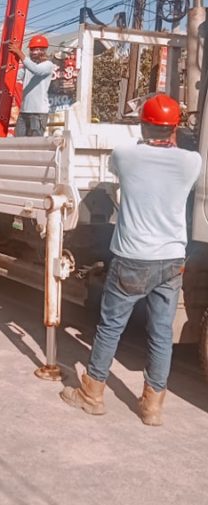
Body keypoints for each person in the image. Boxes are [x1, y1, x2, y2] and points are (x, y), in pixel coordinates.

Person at [61, 94, 202, 426]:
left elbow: (119, 168)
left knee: (111, 326)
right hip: (171, 260)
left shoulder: (125, 155)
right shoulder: (191, 162)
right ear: (175, 128)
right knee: (161, 332)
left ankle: (92, 394)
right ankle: (152, 407)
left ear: (142, 125)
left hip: (132, 258)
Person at [8, 35, 55, 136]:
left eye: (37, 49)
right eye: (32, 50)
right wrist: (5, 60)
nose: (34, 52)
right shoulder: (27, 66)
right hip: (24, 111)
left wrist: (19, 53)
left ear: (44, 50)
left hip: (38, 113)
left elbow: (36, 70)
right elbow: (15, 76)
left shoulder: (48, 65)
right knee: (18, 142)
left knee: (34, 143)